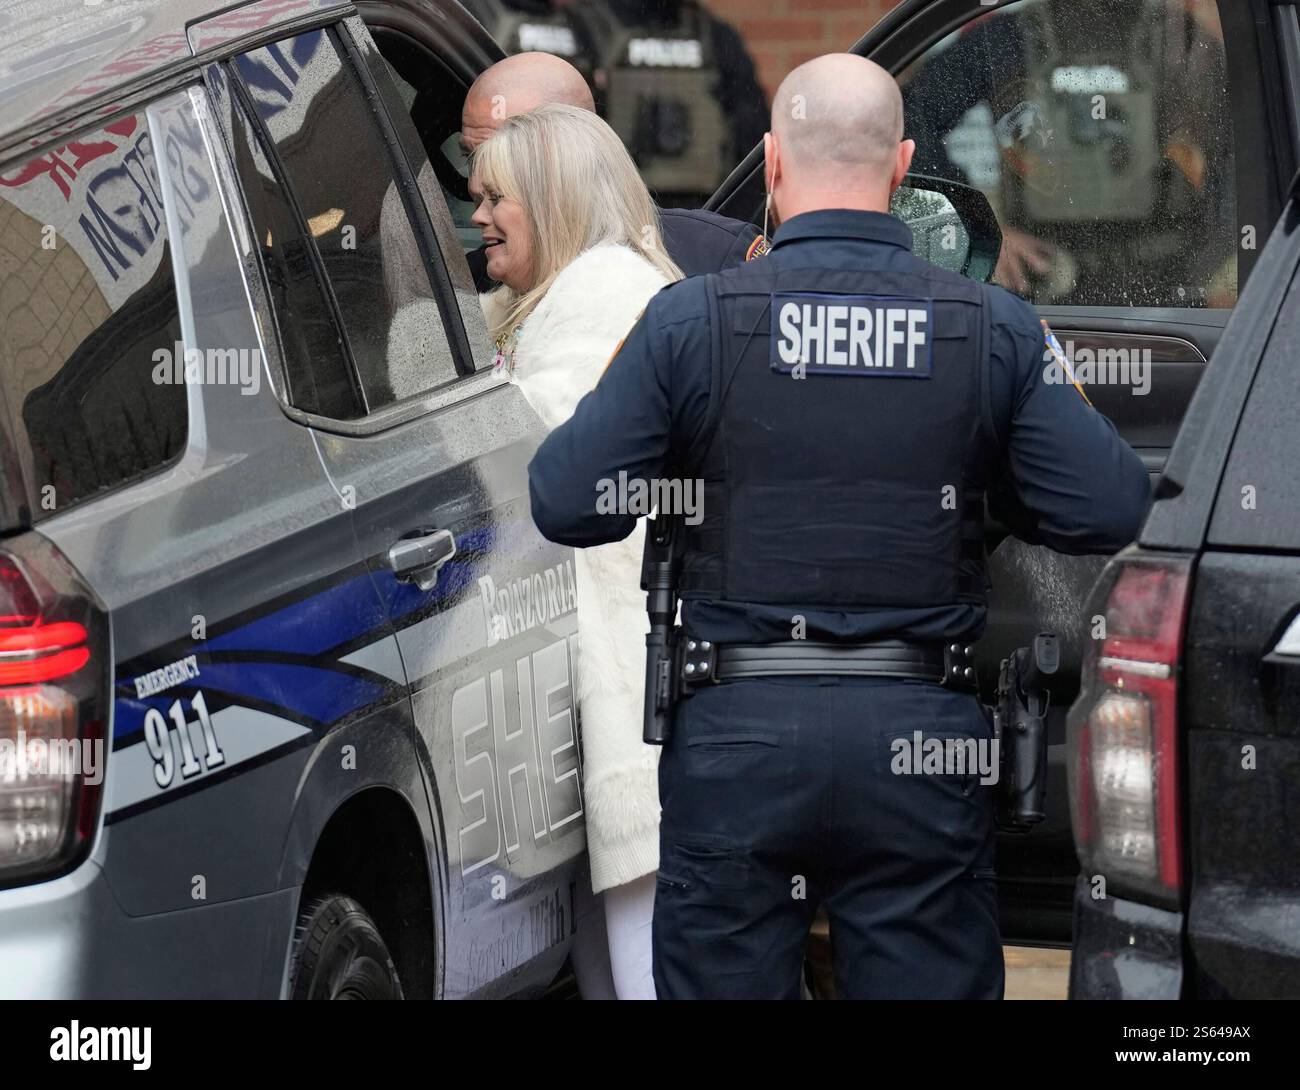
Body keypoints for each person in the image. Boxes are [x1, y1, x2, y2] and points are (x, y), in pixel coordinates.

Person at [526, 53, 1151, 999]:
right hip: (919, 743)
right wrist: (990, 478)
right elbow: (1110, 506)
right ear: (903, 169)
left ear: (771, 163)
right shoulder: (992, 327)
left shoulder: (689, 322)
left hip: (736, 738)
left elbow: (564, 499)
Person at [470, 103, 683, 999]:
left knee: (639, 971)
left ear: (552, 201)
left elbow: (520, 458)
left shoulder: (603, 301)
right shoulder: (567, 294)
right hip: (605, 686)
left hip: (626, 688)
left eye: (495, 198)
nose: (476, 215)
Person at [459, 52, 766, 290]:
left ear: (578, 152)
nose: (474, 183)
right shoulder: (466, 290)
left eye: (504, 157)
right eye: (470, 158)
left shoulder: (712, 257)